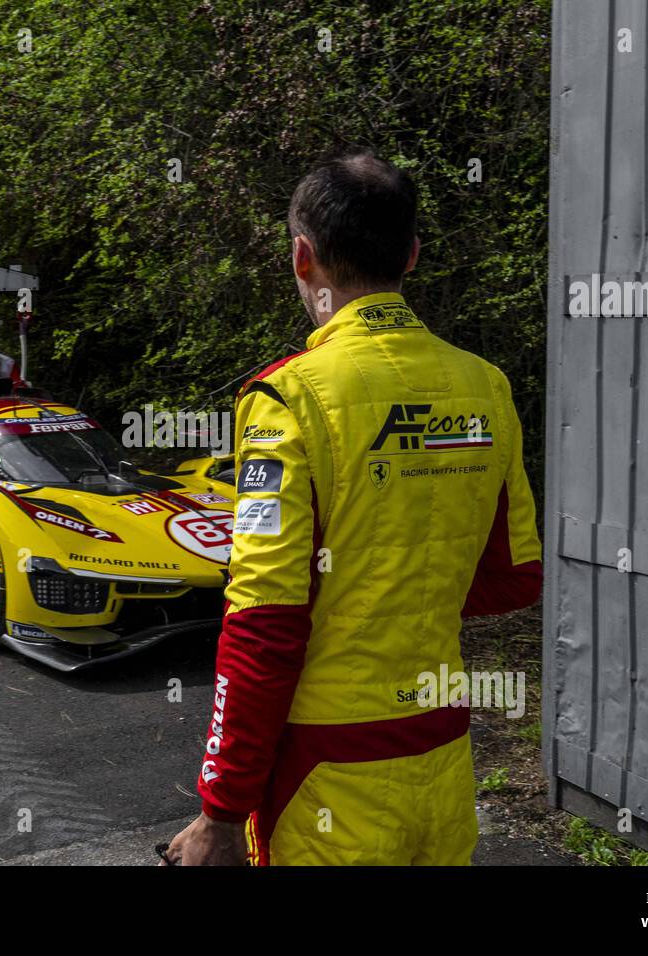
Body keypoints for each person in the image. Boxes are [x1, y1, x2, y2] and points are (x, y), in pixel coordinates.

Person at [163, 150, 543, 866]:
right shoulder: (484, 386)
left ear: (303, 258)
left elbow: (264, 625)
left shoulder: (288, 398)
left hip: (328, 775)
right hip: (442, 758)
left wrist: (221, 810)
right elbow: (514, 577)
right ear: (412, 253)